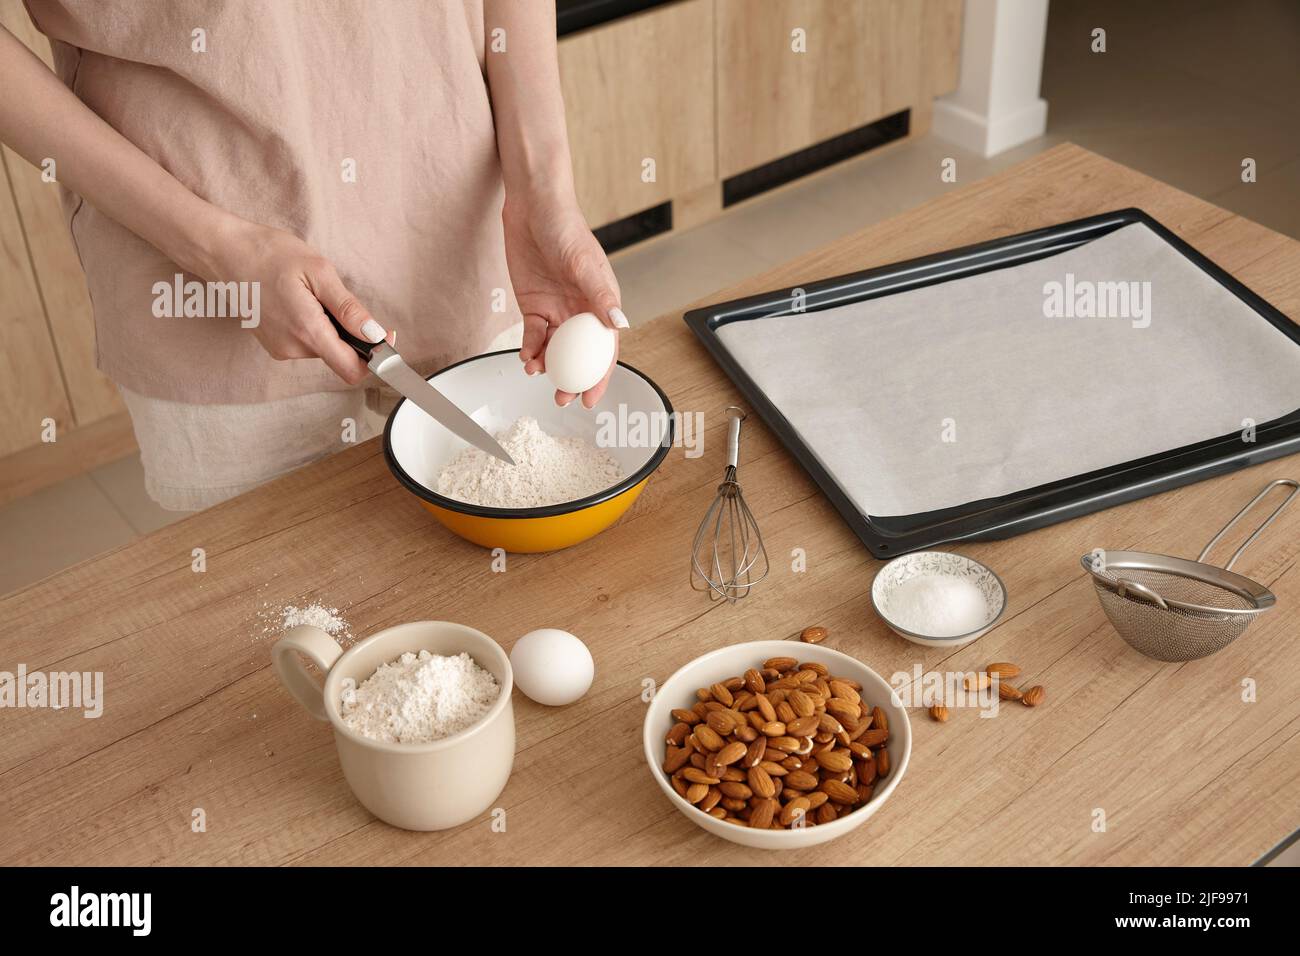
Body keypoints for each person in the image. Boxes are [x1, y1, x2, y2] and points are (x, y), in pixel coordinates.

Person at [0, 1, 626, 510]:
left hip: (451, 210)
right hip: (197, 256)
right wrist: (219, 249)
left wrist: (542, 193)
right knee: (289, 601)